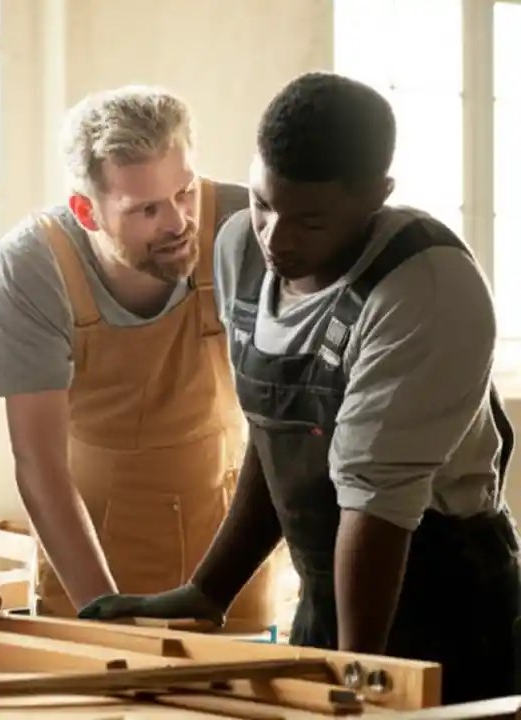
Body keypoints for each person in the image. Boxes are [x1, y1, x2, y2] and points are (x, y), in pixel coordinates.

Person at [81, 72, 521, 704]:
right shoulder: (241, 247)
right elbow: (277, 432)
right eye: (264, 204)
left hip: (440, 596)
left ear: (377, 196)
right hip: (328, 592)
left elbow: (378, 503)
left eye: (310, 222)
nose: (275, 238)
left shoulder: (425, 290)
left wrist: (358, 679)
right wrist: (210, 590)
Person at [0, 86, 278, 622]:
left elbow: (290, 423)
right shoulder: (33, 264)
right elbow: (40, 463)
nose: (178, 222)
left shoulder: (244, 225)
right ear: (86, 210)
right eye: (146, 209)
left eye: (185, 192)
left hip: (229, 553)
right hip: (89, 552)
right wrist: (103, 612)